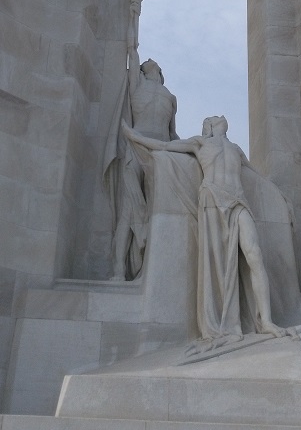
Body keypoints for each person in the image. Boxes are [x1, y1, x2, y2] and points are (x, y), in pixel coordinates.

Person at [124, 114, 291, 348]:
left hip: (238, 201)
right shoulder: (199, 143)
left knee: (255, 255)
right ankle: (222, 323)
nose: (221, 117)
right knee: (217, 263)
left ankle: (267, 322)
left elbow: (257, 177)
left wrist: (281, 198)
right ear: (209, 126)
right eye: (214, 117)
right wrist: (134, 136)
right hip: (212, 198)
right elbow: (164, 145)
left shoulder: (236, 149)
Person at [106, 46, 178, 280]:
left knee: (160, 209)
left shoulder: (170, 96)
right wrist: (132, 14)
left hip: (161, 150)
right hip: (135, 147)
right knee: (128, 209)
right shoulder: (137, 83)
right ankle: (118, 270)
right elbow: (131, 50)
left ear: (159, 71)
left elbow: (173, 133)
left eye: (152, 61)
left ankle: (152, 270)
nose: (148, 60)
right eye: (144, 61)